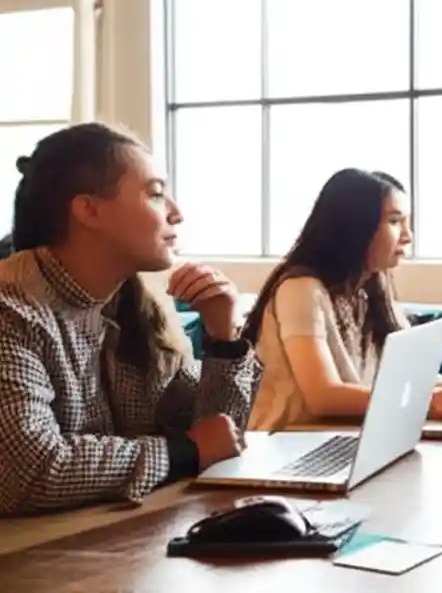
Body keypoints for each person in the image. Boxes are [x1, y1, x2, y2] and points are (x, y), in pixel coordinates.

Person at [0, 123, 260, 516]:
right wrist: (185, 450)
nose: (176, 213)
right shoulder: (11, 310)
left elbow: (218, 436)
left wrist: (224, 338)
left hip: (100, 546)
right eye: (156, 194)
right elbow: (27, 472)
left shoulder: (134, 307)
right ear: (88, 209)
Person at [243, 169, 442, 432]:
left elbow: (405, 376)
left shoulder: (371, 287)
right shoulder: (301, 289)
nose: (408, 235)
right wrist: (433, 401)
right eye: (394, 221)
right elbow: (323, 397)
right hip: (291, 445)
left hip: (351, 436)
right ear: (354, 226)